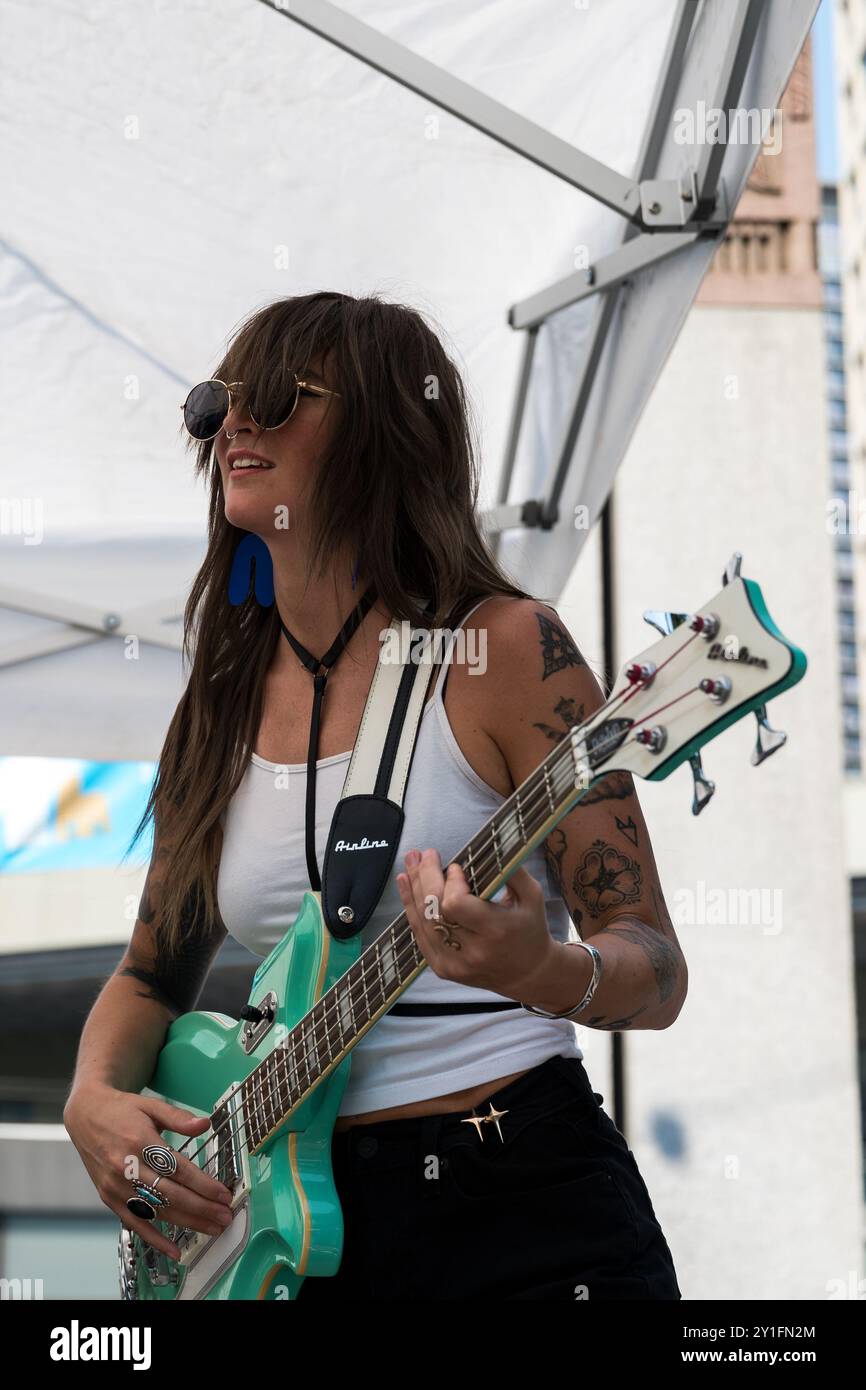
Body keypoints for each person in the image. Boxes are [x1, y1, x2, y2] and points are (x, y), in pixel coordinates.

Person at [64, 290, 686, 1300]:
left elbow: (654, 964)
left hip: (514, 1193)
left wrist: (540, 966)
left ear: (385, 431)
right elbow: (148, 974)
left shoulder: (509, 649)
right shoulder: (216, 704)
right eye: (217, 402)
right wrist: (90, 1098)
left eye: (275, 395)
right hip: (299, 1235)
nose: (236, 424)